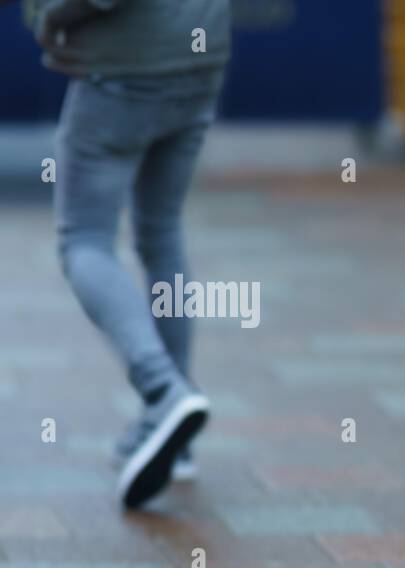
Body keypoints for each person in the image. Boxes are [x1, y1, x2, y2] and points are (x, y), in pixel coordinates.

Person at [26, 0, 232, 507]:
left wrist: (47, 16)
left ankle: (163, 392)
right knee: (160, 230)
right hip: (199, 56)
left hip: (124, 68)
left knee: (83, 239)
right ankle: (174, 432)